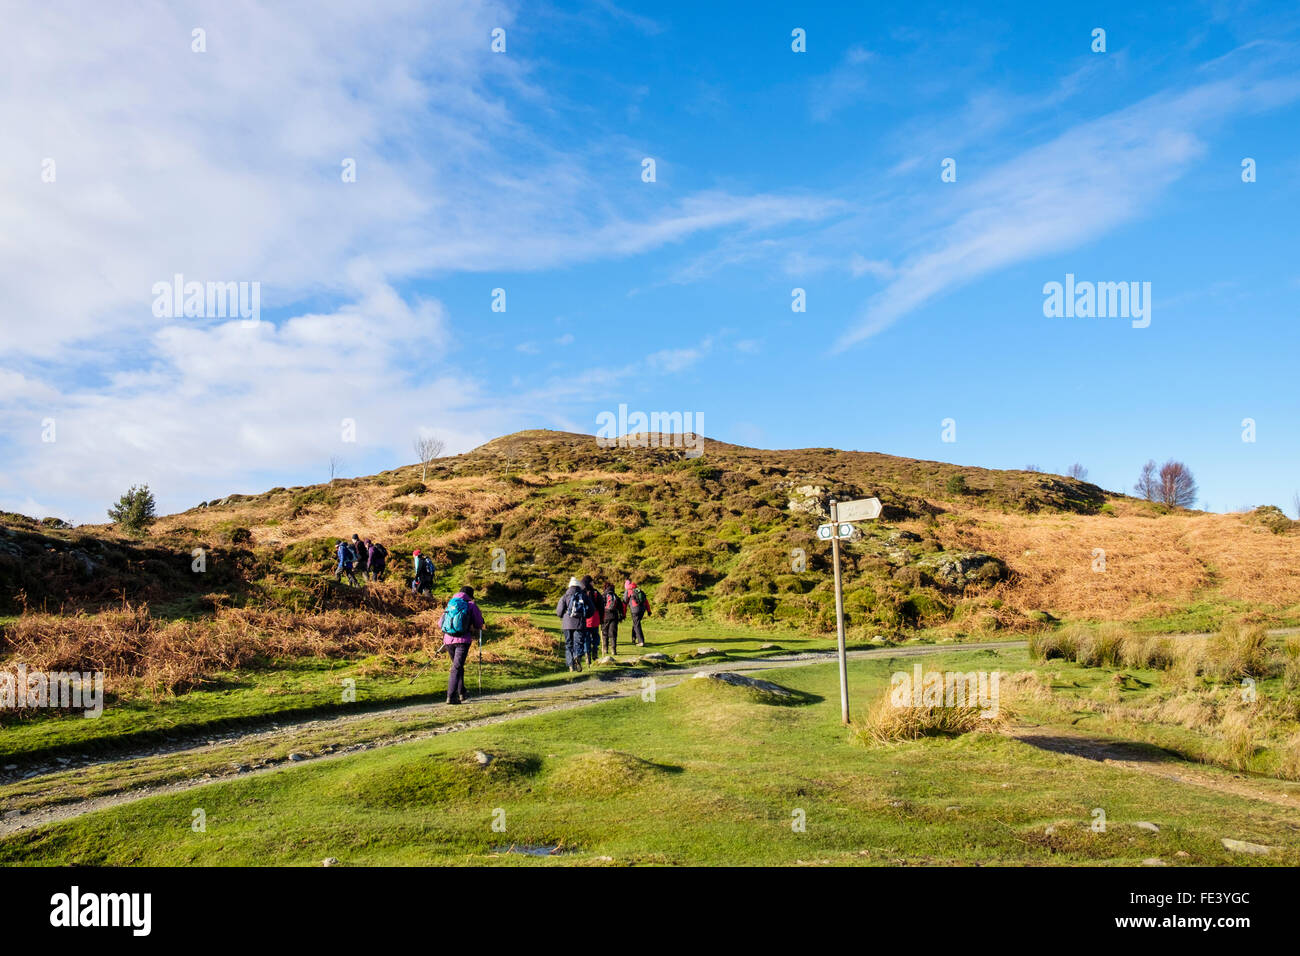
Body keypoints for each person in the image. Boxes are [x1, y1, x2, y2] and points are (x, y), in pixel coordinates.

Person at [440, 584, 484, 705]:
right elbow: (478, 623)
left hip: (448, 640)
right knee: (457, 667)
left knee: (457, 666)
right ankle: (451, 696)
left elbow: (440, 623)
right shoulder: (471, 605)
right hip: (462, 641)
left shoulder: (451, 603)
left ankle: (462, 692)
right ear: (470, 595)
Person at [555, 576, 593, 672]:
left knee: (569, 644)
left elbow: (559, 612)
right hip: (580, 623)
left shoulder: (565, 596)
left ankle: (571, 666)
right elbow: (592, 609)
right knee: (578, 643)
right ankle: (577, 657)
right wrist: (585, 616)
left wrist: (563, 616)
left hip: (567, 624)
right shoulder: (584, 596)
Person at [581, 574, 602, 664]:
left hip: (585, 619)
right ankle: (595, 651)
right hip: (595, 618)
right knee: (595, 636)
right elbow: (601, 606)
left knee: (586, 638)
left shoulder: (582, 593)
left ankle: (587, 655)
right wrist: (602, 618)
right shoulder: (596, 593)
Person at [625, 575, 650, 646]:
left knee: (636, 624)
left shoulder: (628, 591)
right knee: (636, 623)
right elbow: (646, 601)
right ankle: (634, 638)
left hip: (635, 610)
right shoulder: (639, 590)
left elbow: (624, 604)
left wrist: (623, 614)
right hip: (642, 609)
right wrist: (649, 611)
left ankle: (641, 641)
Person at [600, 582, 625, 656]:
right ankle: (613, 650)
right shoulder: (615, 596)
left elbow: (600, 606)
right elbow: (621, 607)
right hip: (614, 616)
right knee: (613, 633)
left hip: (605, 616)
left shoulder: (603, 595)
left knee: (605, 633)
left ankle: (605, 649)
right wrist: (622, 616)